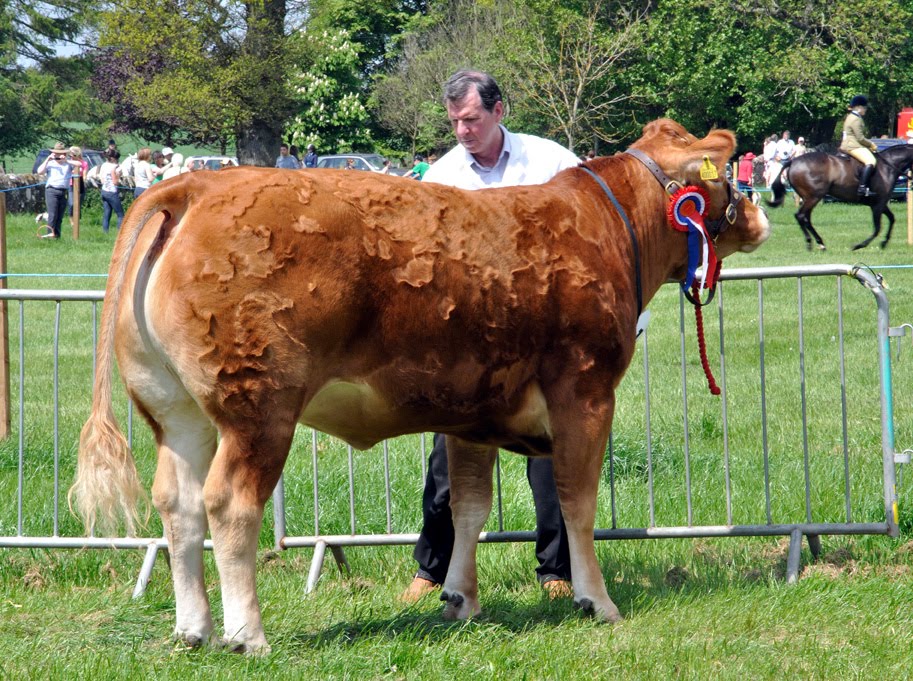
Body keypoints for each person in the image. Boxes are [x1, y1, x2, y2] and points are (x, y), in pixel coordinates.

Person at [401, 69, 580, 604]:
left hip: (544, 343)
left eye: (472, 119)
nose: (463, 130)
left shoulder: (553, 164)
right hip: (468, 350)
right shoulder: (442, 176)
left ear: (500, 111)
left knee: (550, 456)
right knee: (448, 461)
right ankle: (432, 570)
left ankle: (557, 571)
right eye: (455, 121)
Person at [36, 142, 81, 239]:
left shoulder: (67, 164)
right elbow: (39, 171)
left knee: (60, 216)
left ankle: (57, 235)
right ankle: (50, 234)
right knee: (52, 215)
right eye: (56, 153)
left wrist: (67, 161)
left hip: (63, 191)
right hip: (52, 191)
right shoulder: (50, 164)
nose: (58, 155)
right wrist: (48, 159)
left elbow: (79, 164)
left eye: (61, 153)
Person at [840, 95, 879, 197]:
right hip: (853, 146)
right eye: (864, 107)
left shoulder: (853, 117)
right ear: (858, 107)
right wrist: (871, 144)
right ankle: (862, 188)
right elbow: (860, 138)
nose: (865, 109)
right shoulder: (855, 119)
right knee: (871, 161)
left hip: (852, 144)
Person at [98, 148, 125, 233]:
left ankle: (105, 232)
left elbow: (101, 179)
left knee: (107, 213)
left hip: (104, 191)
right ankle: (120, 233)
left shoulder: (104, 165)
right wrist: (118, 176)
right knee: (121, 215)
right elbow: (115, 182)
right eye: (117, 159)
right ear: (113, 158)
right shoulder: (114, 167)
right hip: (112, 192)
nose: (117, 160)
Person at [67, 146, 88, 227]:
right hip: (71, 184)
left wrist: (85, 178)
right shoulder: (69, 163)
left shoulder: (84, 163)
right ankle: (71, 220)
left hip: (80, 184)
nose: (71, 157)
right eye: (70, 155)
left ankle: (77, 220)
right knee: (72, 203)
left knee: (78, 203)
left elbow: (85, 174)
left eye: (72, 155)